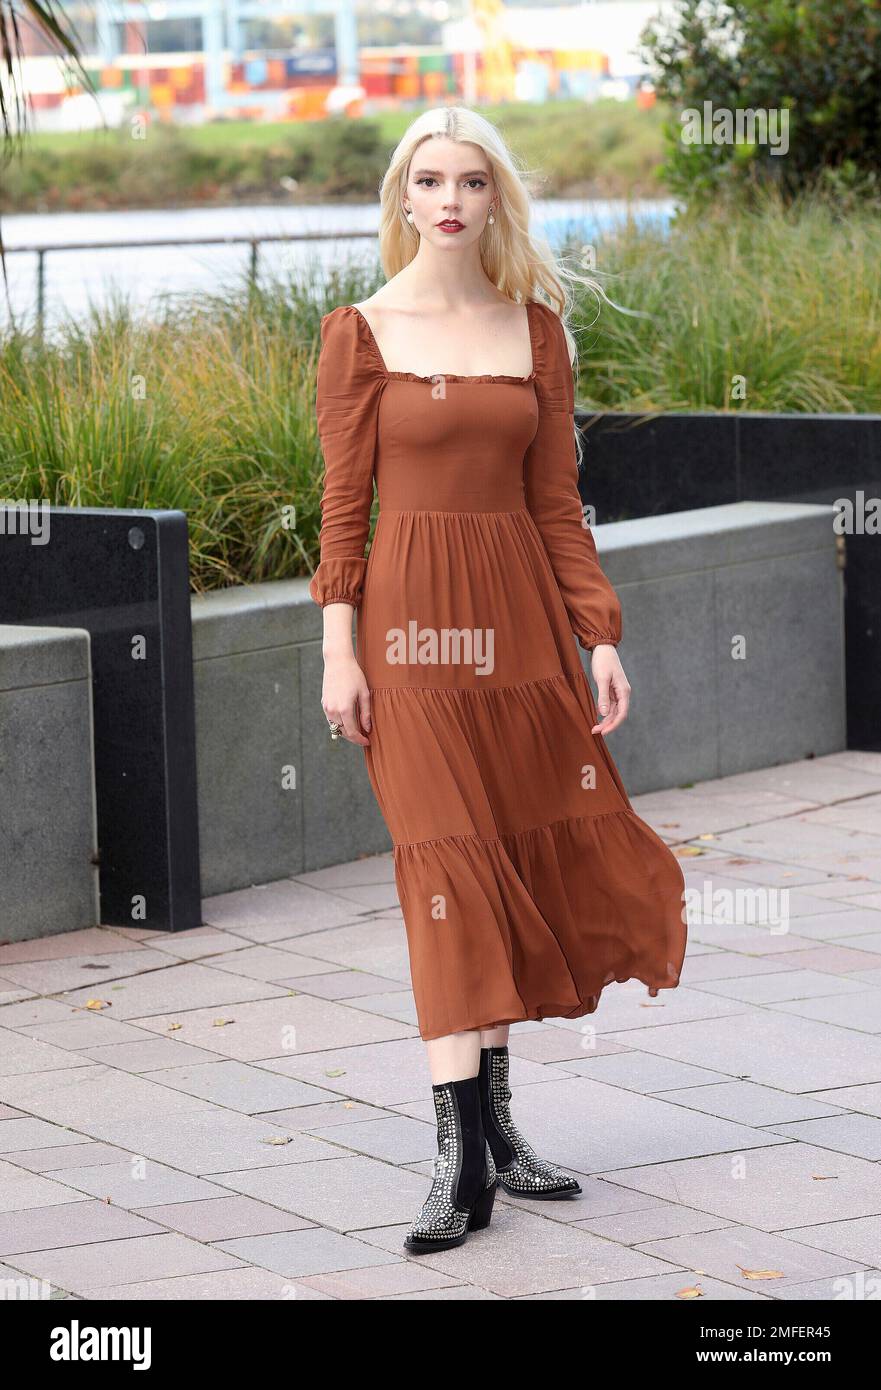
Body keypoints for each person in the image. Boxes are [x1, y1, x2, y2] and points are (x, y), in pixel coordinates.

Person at [309, 105, 687, 1254]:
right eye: (429, 180)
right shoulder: (359, 334)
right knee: (445, 868)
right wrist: (337, 648)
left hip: (518, 632)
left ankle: (502, 1132)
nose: (451, 199)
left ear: (493, 197)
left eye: (471, 180)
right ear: (404, 197)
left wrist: (598, 632)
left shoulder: (536, 331)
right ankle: (454, 1158)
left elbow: (554, 504)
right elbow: (340, 511)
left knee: (513, 853)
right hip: (409, 644)